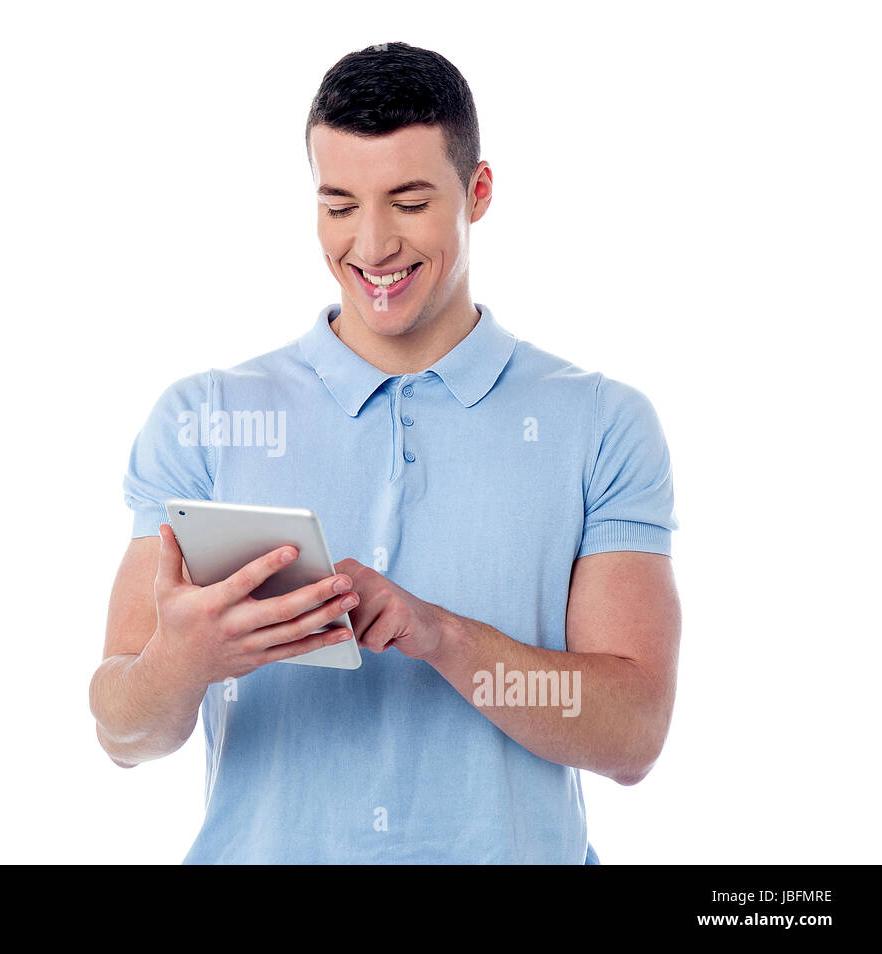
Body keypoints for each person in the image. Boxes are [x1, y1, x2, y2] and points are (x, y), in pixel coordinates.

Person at [88, 41, 681, 864]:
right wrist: (183, 661)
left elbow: (634, 735)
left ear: (478, 194)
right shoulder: (208, 417)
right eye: (338, 206)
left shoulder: (598, 422)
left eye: (408, 202)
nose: (370, 246)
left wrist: (442, 637)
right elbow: (123, 731)